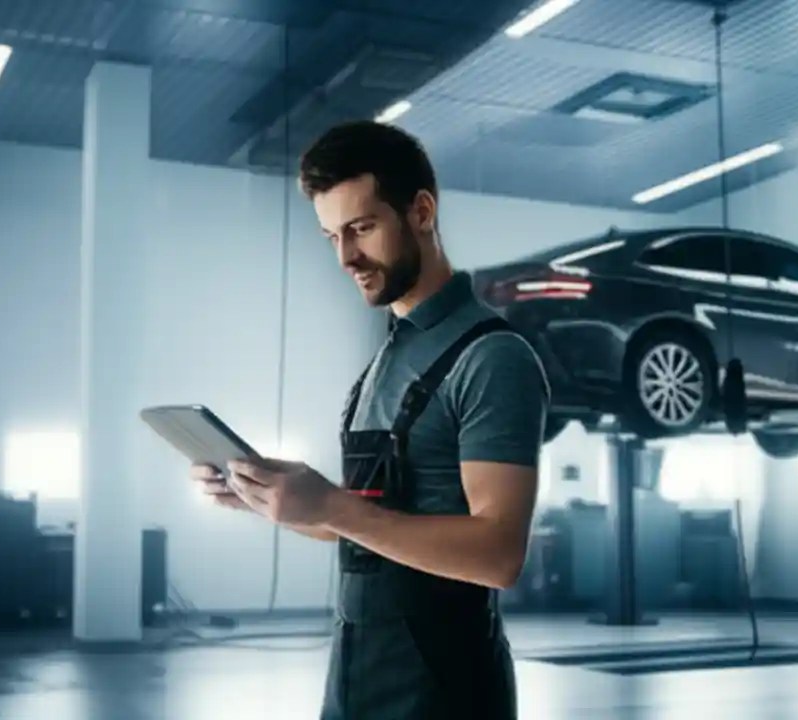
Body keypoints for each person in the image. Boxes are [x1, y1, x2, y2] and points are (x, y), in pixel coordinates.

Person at [189, 120, 548, 719]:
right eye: (331, 236)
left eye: (361, 228)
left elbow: (499, 552)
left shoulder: (492, 357)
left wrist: (332, 505)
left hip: (446, 691)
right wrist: (265, 498)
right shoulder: (387, 358)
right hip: (357, 676)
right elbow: (366, 526)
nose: (346, 256)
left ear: (422, 211)